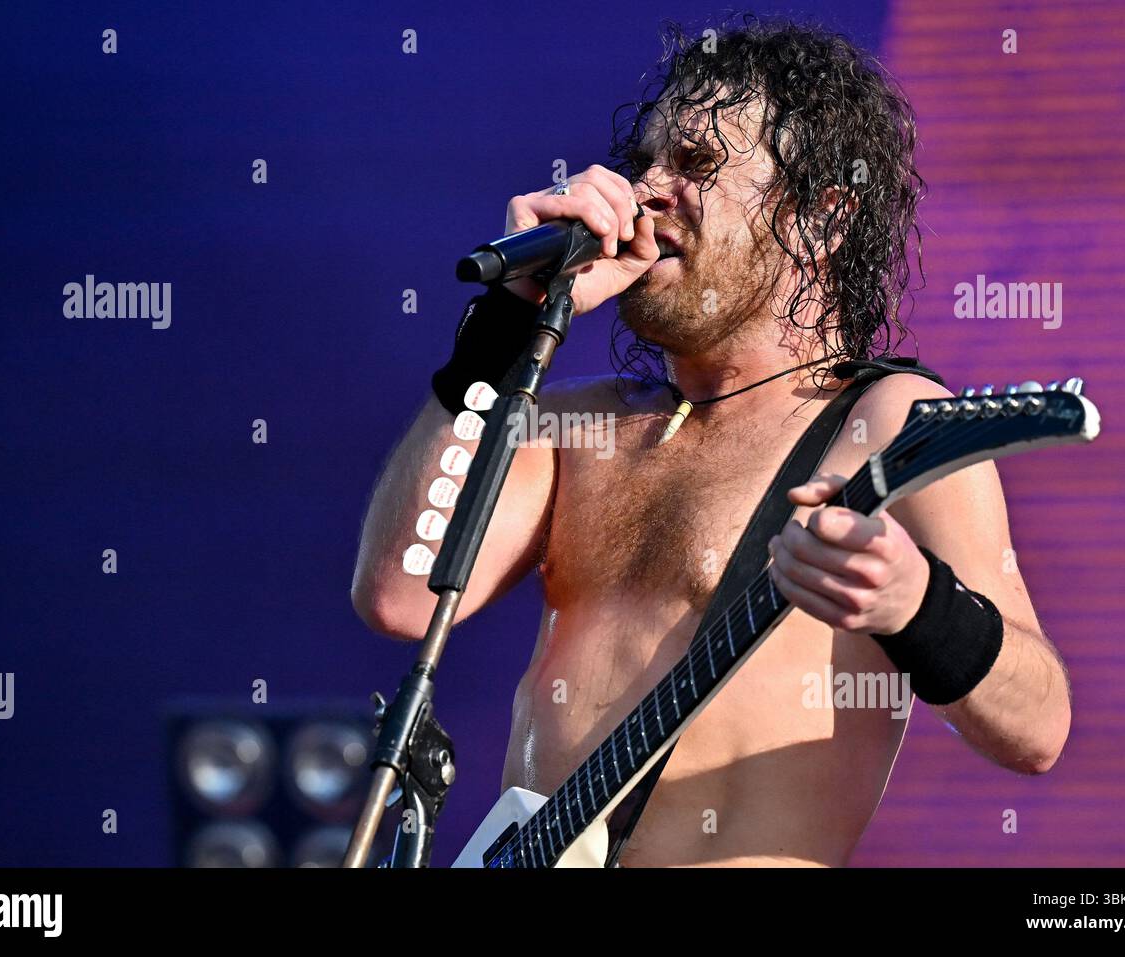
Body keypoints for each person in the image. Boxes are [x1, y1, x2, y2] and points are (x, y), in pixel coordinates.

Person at [352, 18, 1071, 867]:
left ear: (820, 219)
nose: (648, 189)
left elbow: (1039, 725)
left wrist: (914, 603)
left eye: (695, 165)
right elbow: (399, 594)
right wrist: (499, 332)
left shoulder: (885, 419)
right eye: (645, 162)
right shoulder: (581, 425)